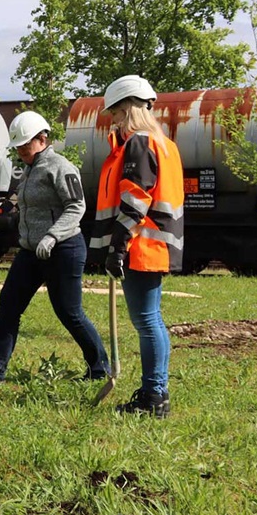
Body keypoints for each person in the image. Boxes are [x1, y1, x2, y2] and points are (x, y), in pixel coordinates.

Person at [0, 112, 110, 385]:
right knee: (9, 306)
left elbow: (76, 206)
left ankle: (100, 369)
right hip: (31, 251)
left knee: (69, 312)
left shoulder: (61, 166)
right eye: (17, 147)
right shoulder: (30, 168)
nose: (21, 152)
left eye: (25, 146)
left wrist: (53, 236)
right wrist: (9, 204)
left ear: (42, 139)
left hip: (64, 249)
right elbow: (25, 195)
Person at [91, 76, 183, 418]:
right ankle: (154, 391)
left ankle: (154, 396)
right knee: (151, 319)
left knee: (146, 321)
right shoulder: (165, 144)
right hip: (155, 245)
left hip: (141, 246)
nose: (113, 121)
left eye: (115, 113)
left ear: (127, 108)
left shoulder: (139, 144)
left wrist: (118, 246)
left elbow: (135, 200)